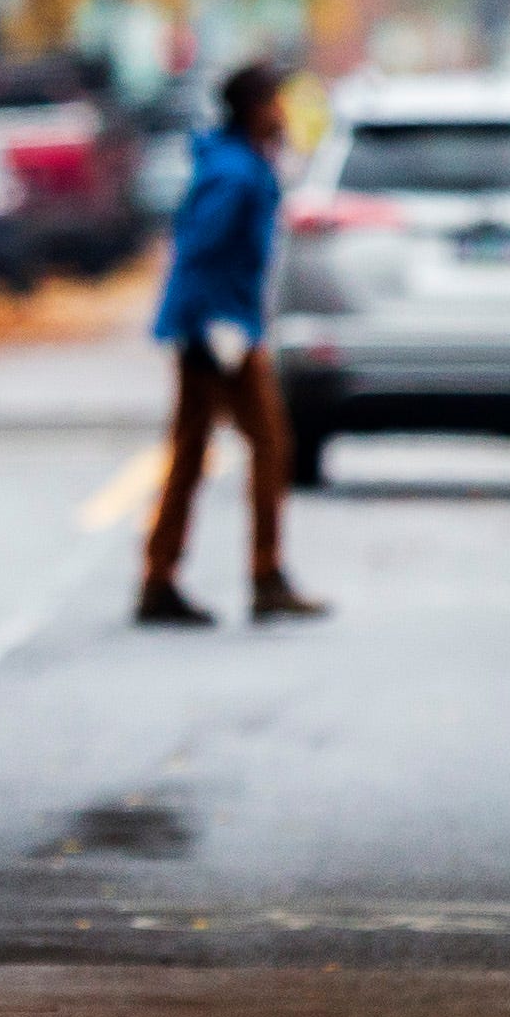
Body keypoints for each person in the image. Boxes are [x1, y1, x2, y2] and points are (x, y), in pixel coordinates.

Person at [137, 60, 328, 626]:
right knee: (269, 444)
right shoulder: (236, 174)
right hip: (217, 332)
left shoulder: (240, 164)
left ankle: (160, 577)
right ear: (253, 109)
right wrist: (218, 328)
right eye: (274, 102)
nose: (282, 112)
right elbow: (199, 251)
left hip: (215, 327)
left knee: (193, 453)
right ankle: (263, 575)